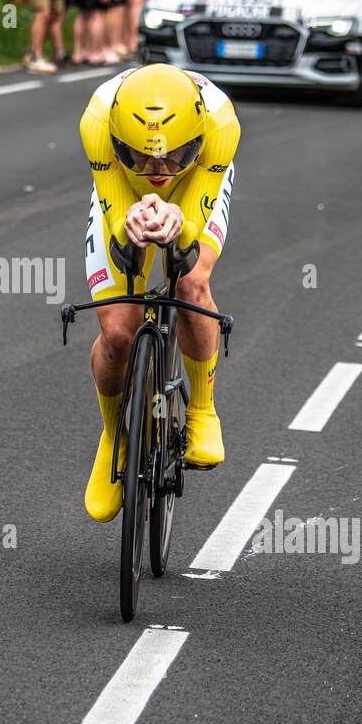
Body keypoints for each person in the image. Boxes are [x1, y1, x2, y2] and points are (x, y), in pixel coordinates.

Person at [80, 64, 240, 521]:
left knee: (189, 281)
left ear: (196, 137)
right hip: (119, 189)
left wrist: (181, 226)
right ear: (117, 139)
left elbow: (191, 230)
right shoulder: (97, 121)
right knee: (117, 333)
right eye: (141, 157)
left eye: (170, 157)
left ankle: (203, 410)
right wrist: (123, 223)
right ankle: (114, 435)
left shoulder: (221, 124)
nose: (157, 172)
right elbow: (114, 213)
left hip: (197, 184)